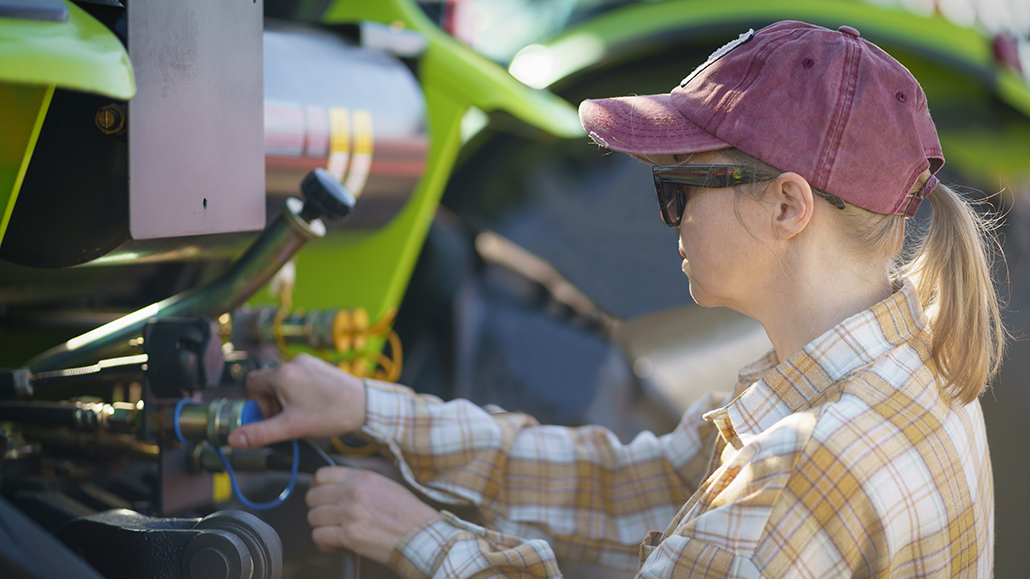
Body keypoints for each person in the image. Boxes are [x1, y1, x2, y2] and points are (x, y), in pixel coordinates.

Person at [228, 20, 1006, 578]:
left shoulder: (803, 466)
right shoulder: (906, 362)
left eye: (680, 185)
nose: (667, 213)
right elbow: (628, 489)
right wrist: (364, 406)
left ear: (787, 207)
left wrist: (420, 535)